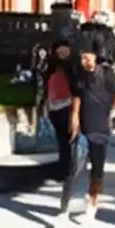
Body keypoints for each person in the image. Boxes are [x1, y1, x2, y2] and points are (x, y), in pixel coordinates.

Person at [69, 37, 115, 223]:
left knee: (97, 170)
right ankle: (70, 199)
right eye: (82, 58)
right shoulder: (79, 77)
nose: (84, 61)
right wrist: (74, 118)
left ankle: (92, 205)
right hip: (84, 126)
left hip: (101, 127)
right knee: (74, 165)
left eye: (87, 57)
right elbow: (76, 98)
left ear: (95, 56)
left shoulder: (108, 76)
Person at [42, 39, 77, 212]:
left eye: (65, 51)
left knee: (69, 139)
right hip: (54, 106)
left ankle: (69, 168)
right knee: (62, 140)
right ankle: (65, 167)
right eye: (60, 51)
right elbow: (45, 85)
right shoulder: (51, 67)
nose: (62, 54)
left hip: (67, 105)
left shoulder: (73, 67)